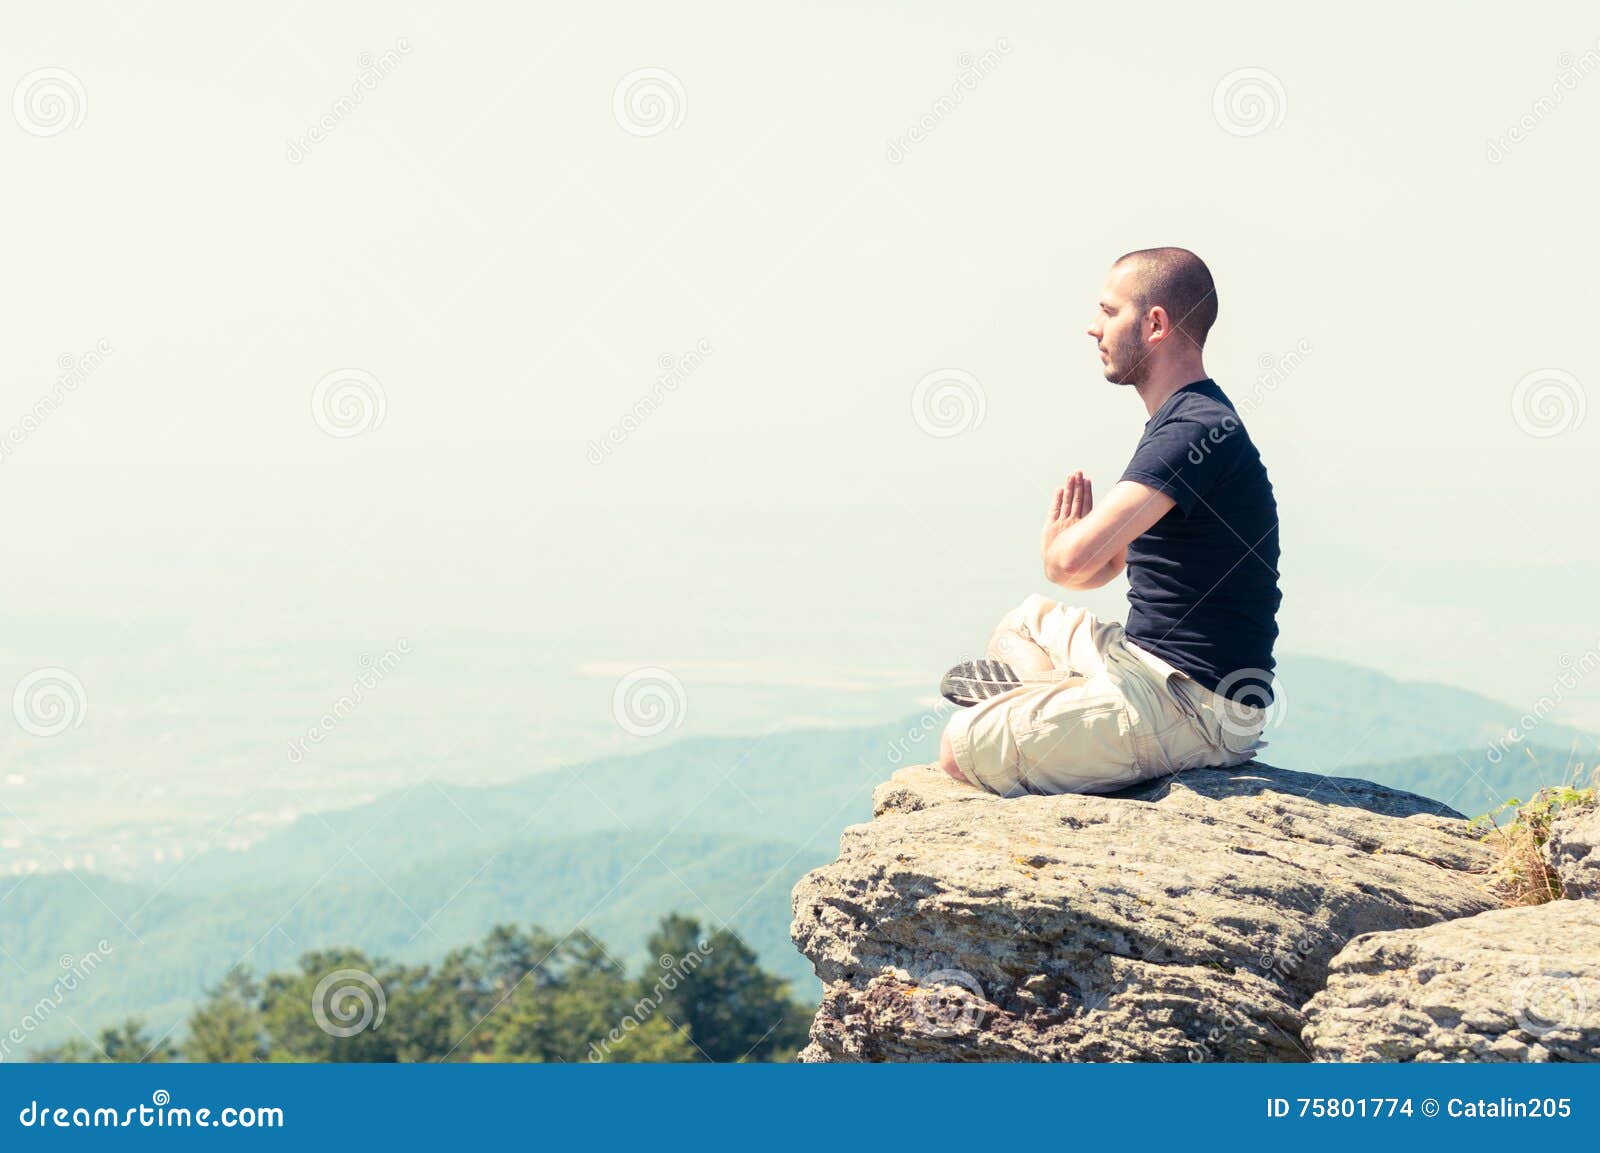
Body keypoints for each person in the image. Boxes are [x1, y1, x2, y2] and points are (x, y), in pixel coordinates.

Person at [935, 247, 1282, 796]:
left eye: (1108, 311)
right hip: (1147, 665)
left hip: (1190, 702)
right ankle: (1060, 701)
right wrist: (1078, 560)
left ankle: (1049, 706)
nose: (1092, 328)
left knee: (960, 748)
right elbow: (1105, 567)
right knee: (1022, 624)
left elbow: (1071, 562)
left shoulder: (1193, 431)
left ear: (1155, 324)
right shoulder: (1187, 418)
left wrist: (1060, 551)